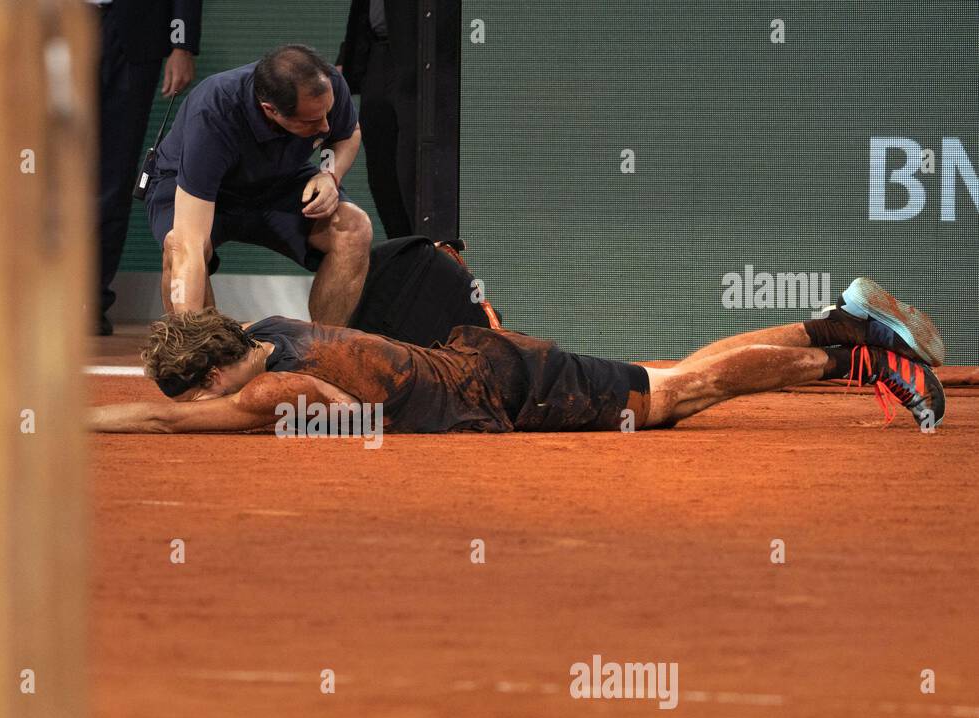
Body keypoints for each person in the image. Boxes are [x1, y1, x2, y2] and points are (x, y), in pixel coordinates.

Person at [88, 278, 946, 434]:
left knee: (682, 392)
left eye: (199, 391)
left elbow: (171, 422)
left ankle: (852, 343)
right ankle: (834, 331)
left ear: (209, 375)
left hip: (505, 388)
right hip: (488, 367)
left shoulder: (266, 389)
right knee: (675, 382)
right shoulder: (270, 326)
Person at [145, 44, 373, 325]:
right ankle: (201, 355)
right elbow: (188, 243)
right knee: (176, 244)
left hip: (280, 182)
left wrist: (330, 174)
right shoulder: (214, 114)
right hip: (202, 189)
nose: (326, 126)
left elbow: (349, 133)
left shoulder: (327, 85)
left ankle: (323, 350)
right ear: (271, 111)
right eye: (313, 120)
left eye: (328, 113)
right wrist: (191, 335)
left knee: (354, 228)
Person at [95, 0, 202, 335]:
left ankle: (90, 300)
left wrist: (182, 43)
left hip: (132, 32)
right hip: (48, 26)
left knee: (114, 172)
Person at [337, 0, 418, 239]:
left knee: (415, 166)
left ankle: (432, 257)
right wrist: (346, 55)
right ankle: (405, 251)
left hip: (422, 56)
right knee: (383, 171)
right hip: (377, 55)